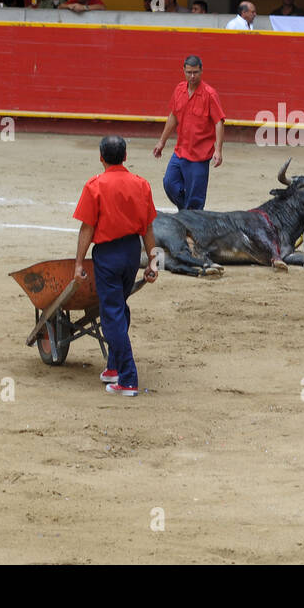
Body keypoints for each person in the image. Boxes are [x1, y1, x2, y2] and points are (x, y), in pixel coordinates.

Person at [73, 135, 159, 397]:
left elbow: (87, 229)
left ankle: (128, 378)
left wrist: (78, 263)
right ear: (125, 156)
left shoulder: (95, 186)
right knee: (120, 306)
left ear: (101, 157)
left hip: (108, 255)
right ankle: (113, 366)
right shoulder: (141, 184)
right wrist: (153, 261)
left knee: (111, 314)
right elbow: (148, 228)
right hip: (132, 252)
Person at [152, 56, 224, 211]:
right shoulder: (179, 90)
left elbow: (219, 122)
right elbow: (173, 116)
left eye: (196, 72)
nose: (192, 76)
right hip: (180, 151)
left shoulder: (210, 94)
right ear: (183, 70)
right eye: (189, 72)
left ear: (201, 71)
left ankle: (191, 218)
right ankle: (187, 213)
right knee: (169, 183)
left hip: (199, 156)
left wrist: (218, 150)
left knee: (195, 198)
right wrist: (162, 141)